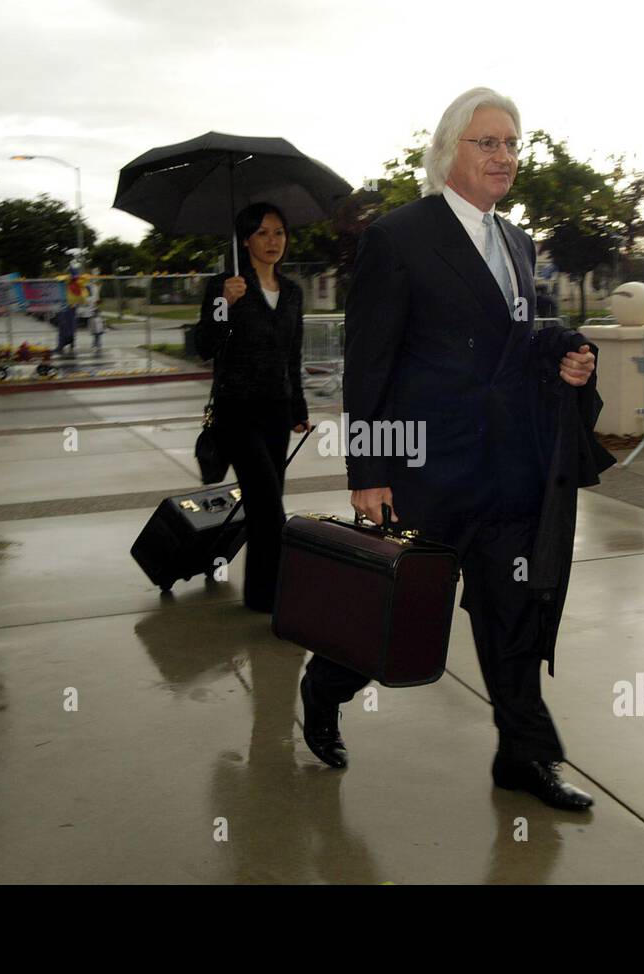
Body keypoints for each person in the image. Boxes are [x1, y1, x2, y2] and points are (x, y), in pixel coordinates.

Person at [298, 88, 616, 812]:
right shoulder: (400, 237)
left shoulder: (516, 240)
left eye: (511, 143)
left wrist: (561, 356)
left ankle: (522, 758)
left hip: (509, 475)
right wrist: (368, 472)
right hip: (426, 473)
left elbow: (517, 340)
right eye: (488, 143)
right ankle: (327, 683)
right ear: (449, 154)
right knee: (397, 611)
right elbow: (369, 362)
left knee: (511, 617)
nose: (505, 155)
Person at [193, 203, 311, 613]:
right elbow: (203, 347)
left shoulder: (293, 291)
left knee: (267, 503)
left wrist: (299, 407)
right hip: (236, 411)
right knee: (267, 505)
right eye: (262, 233)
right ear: (245, 239)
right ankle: (279, 595)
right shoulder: (226, 286)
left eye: (279, 232)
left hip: (276, 410)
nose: (273, 241)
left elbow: (291, 355)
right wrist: (222, 303)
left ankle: (262, 596)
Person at [82, 268, 104, 351]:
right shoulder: (89, 287)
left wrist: (97, 307)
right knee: (94, 328)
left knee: (98, 327)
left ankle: (97, 344)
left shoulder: (94, 287)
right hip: (91, 310)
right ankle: (95, 343)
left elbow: (97, 299)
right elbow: (88, 300)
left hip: (95, 310)